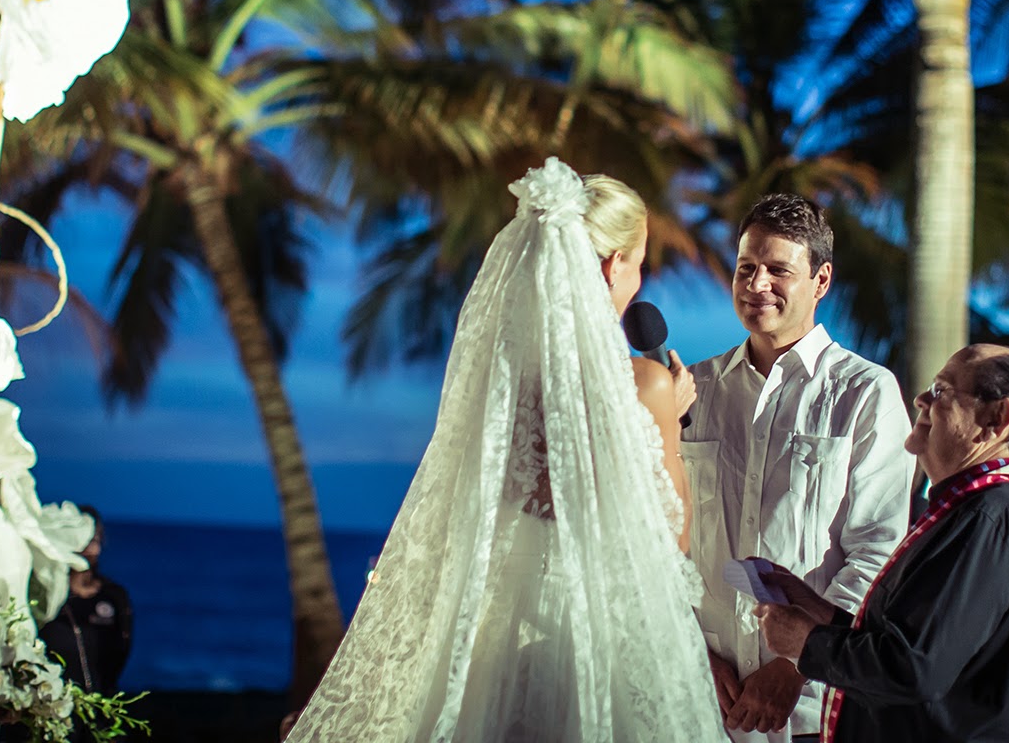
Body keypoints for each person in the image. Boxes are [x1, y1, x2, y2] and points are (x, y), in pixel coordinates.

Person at [286, 158, 725, 742]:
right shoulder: (646, 386)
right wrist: (668, 413)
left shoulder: (501, 386)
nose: (638, 280)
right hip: (592, 635)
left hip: (495, 633)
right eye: (640, 263)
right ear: (614, 264)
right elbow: (672, 540)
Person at [681, 193, 914, 742]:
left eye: (778, 270)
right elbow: (668, 537)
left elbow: (879, 547)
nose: (757, 284)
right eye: (746, 268)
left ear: (821, 280)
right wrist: (691, 653)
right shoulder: (694, 389)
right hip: (697, 695)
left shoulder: (866, 392)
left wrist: (798, 663)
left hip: (810, 705)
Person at [754, 343, 1009, 743]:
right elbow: (919, 643)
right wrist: (823, 616)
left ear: (995, 420)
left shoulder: (988, 516)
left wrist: (807, 642)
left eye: (941, 391)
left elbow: (913, 668)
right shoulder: (972, 511)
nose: (920, 399)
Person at [37, 504, 133, 695]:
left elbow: (122, 649)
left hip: (99, 704)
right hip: (53, 702)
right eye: (85, 539)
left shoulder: (113, 595)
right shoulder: (48, 595)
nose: (91, 548)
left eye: (95, 539)